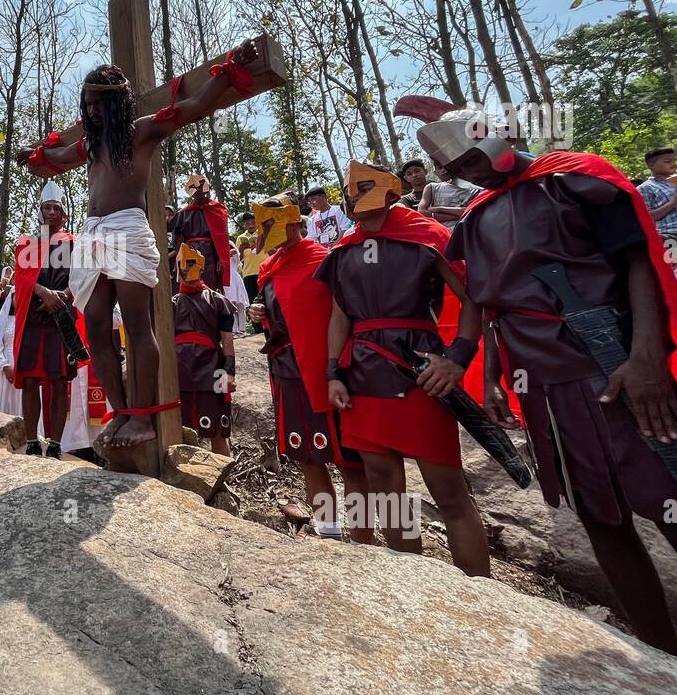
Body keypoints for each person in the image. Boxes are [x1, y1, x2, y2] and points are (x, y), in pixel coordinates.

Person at [410, 101, 677, 655]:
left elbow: (639, 263)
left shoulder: (574, 181)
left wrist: (647, 355)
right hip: (544, 388)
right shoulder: (478, 215)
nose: (471, 171)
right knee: (600, 519)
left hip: (620, 367)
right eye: (457, 169)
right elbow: (486, 303)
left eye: (474, 157)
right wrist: (483, 376)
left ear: (499, 136)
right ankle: (661, 661)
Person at [21, 42, 261, 454]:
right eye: (88, 104)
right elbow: (59, 156)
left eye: (100, 104)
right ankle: (122, 411)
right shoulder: (91, 145)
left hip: (127, 230)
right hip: (92, 235)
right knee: (95, 323)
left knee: (136, 324)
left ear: (118, 103)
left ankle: (144, 417)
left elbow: (195, 105)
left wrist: (226, 69)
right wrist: (36, 157)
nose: (93, 111)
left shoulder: (143, 130)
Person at [317, 160, 491, 577]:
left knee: (448, 491)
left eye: (363, 187)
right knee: (383, 486)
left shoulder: (427, 235)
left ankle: (484, 596)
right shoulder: (342, 249)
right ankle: (412, 586)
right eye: (347, 188)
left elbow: (472, 299)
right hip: (361, 373)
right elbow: (339, 317)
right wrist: (332, 373)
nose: (352, 195)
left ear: (390, 189)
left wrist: (458, 360)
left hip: (419, 371)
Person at [248, 194, 373, 541]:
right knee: (308, 456)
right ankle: (328, 532)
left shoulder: (325, 260)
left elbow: (345, 315)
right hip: (287, 371)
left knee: (349, 462)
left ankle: (364, 539)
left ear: (296, 223)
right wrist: (259, 314)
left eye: (276, 221)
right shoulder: (268, 270)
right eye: (264, 223)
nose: (270, 230)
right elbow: (277, 315)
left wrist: (338, 367)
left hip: (327, 372)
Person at [7, 181, 81, 457]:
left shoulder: (73, 243)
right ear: (39, 211)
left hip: (61, 316)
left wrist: (60, 297)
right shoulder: (27, 242)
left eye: (56, 208)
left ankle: (56, 443)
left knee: (59, 380)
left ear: (64, 214)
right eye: (46, 207)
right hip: (33, 319)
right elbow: (23, 278)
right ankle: (31, 442)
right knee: (29, 379)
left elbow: (81, 278)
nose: (51, 212)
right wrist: (44, 293)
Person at [172, 244, 236, 456]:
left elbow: (227, 340)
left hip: (212, 366)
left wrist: (229, 373)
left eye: (189, 263)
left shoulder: (218, 301)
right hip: (180, 368)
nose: (183, 268)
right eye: (180, 263)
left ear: (200, 267)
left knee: (218, 428)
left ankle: (222, 481)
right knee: (182, 429)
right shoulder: (170, 303)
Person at [638, 147, 677, 268]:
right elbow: (645, 217)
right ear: (651, 165)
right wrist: (673, 203)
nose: (674, 164)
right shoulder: (645, 188)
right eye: (668, 161)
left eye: (674, 160)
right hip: (670, 238)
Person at [168, 174, 231, 292]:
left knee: (210, 284)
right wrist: (176, 259)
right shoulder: (184, 213)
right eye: (194, 188)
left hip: (210, 253)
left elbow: (221, 239)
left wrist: (220, 260)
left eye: (201, 187)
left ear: (206, 189)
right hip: (189, 252)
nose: (198, 191)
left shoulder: (218, 210)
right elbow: (174, 236)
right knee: (190, 283)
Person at [417, 163, 477, 229]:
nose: (444, 170)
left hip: (464, 232)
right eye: (440, 168)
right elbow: (421, 211)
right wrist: (458, 215)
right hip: (440, 234)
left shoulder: (474, 190)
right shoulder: (431, 187)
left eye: (446, 167)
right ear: (435, 172)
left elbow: (472, 212)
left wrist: (439, 209)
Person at [234, 211, 262, 332]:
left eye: (253, 222)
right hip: (249, 273)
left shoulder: (262, 233)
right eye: (247, 223)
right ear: (244, 225)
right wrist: (240, 249)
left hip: (263, 271)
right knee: (253, 300)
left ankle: (269, 327)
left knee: (265, 298)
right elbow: (237, 259)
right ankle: (257, 329)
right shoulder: (241, 238)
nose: (251, 225)